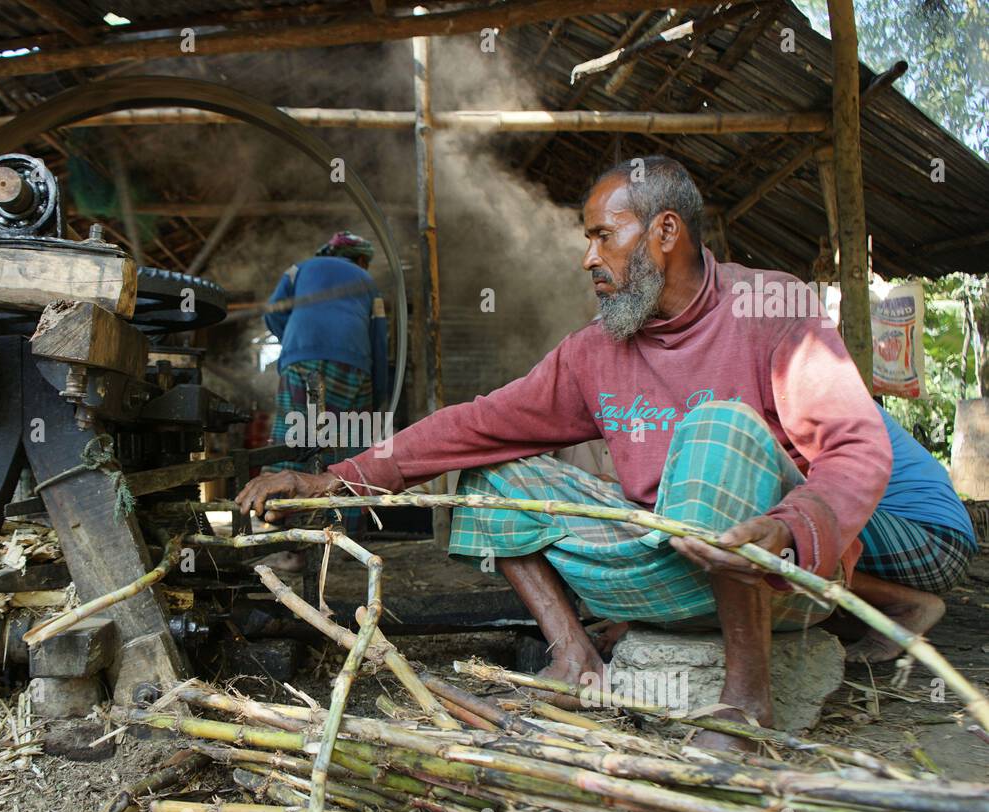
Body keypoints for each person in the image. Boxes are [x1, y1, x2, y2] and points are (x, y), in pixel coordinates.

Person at [238, 156, 892, 752]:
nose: (587, 258)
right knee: (494, 468)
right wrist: (337, 478)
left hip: (775, 577)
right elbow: (477, 424)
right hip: (663, 570)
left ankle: (747, 704)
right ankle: (573, 656)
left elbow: (857, 447)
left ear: (666, 232)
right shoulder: (596, 351)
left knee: (717, 427)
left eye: (603, 235)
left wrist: (789, 528)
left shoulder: (771, 307)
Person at [257, 231, 387, 568]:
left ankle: (287, 545)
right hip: (354, 366)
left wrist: (297, 342)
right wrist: (380, 399)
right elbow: (379, 341)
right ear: (361, 259)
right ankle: (345, 543)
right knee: (349, 448)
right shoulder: (368, 283)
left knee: (292, 441)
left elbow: (273, 310)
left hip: (302, 360)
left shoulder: (300, 269)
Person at [840, 405, 978, 662]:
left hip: (936, 543)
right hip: (929, 541)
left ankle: (908, 606)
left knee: (801, 519)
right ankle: (870, 614)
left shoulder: (827, 400)